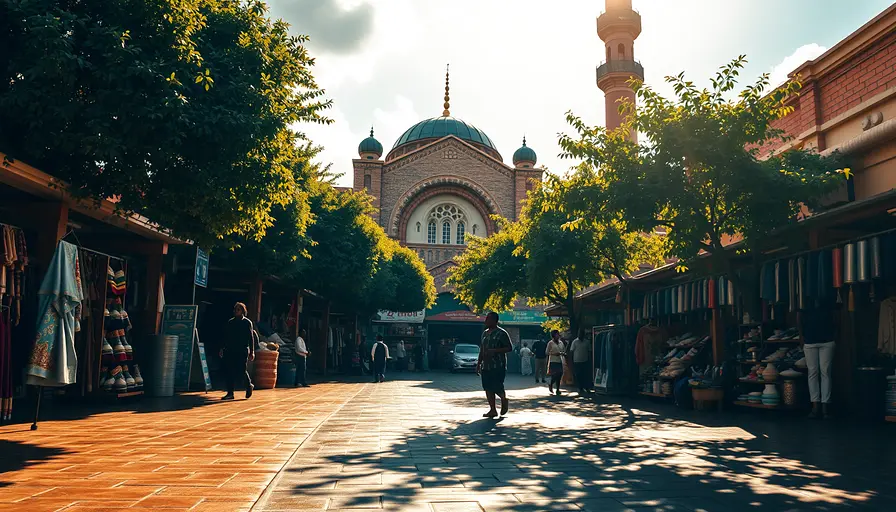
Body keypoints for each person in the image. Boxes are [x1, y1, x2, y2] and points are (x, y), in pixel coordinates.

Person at [801, 304, 836, 419]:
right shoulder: (826, 300)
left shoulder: (804, 298)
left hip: (814, 339)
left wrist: (802, 336)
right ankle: (822, 406)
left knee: (815, 373)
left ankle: (817, 406)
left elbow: (799, 317)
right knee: (823, 372)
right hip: (824, 338)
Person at [477, 312, 513, 418]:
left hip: (498, 365)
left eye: (488, 319)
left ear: (494, 320)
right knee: (487, 387)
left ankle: (503, 399)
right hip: (486, 365)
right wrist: (478, 363)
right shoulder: (484, 333)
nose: (486, 321)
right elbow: (482, 349)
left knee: (497, 386)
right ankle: (492, 410)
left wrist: (495, 351)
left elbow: (509, 348)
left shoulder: (502, 333)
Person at [219, 302, 255, 400]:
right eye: (235, 309)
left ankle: (249, 386)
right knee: (229, 371)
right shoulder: (230, 322)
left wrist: (252, 352)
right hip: (230, 349)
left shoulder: (247, 322)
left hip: (242, 350)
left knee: (241, 370)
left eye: (238, 310)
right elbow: (226, 336)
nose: (236, 311)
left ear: (243, 311)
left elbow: (251, 338)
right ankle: (230, 393)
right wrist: (222, 348)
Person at [569, 329, 592, 394]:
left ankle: (587, 387)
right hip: (577, 361)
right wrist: (571, 361)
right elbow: (571, 351)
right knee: (578, 375)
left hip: (585, 361)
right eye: (579, 334)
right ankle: (580, 387)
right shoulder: (575, 342)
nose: (580, 335)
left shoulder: (586, 342)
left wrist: (589, 360)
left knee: (586, 375)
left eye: (582, 334)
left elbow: (589, 351)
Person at [546, 330, 566, 396]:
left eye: (558, 334)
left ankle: (557, 389)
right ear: (553, 335)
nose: (558, 336)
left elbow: (563, 350)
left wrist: (563, 353)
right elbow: (547, 352)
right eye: (557, 334)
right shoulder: (550, 343)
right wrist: (554, 353)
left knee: (560, 374)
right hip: (553, 361)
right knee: (555, 374)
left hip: (560, 360)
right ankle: (551, 383)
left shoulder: (561, 343)